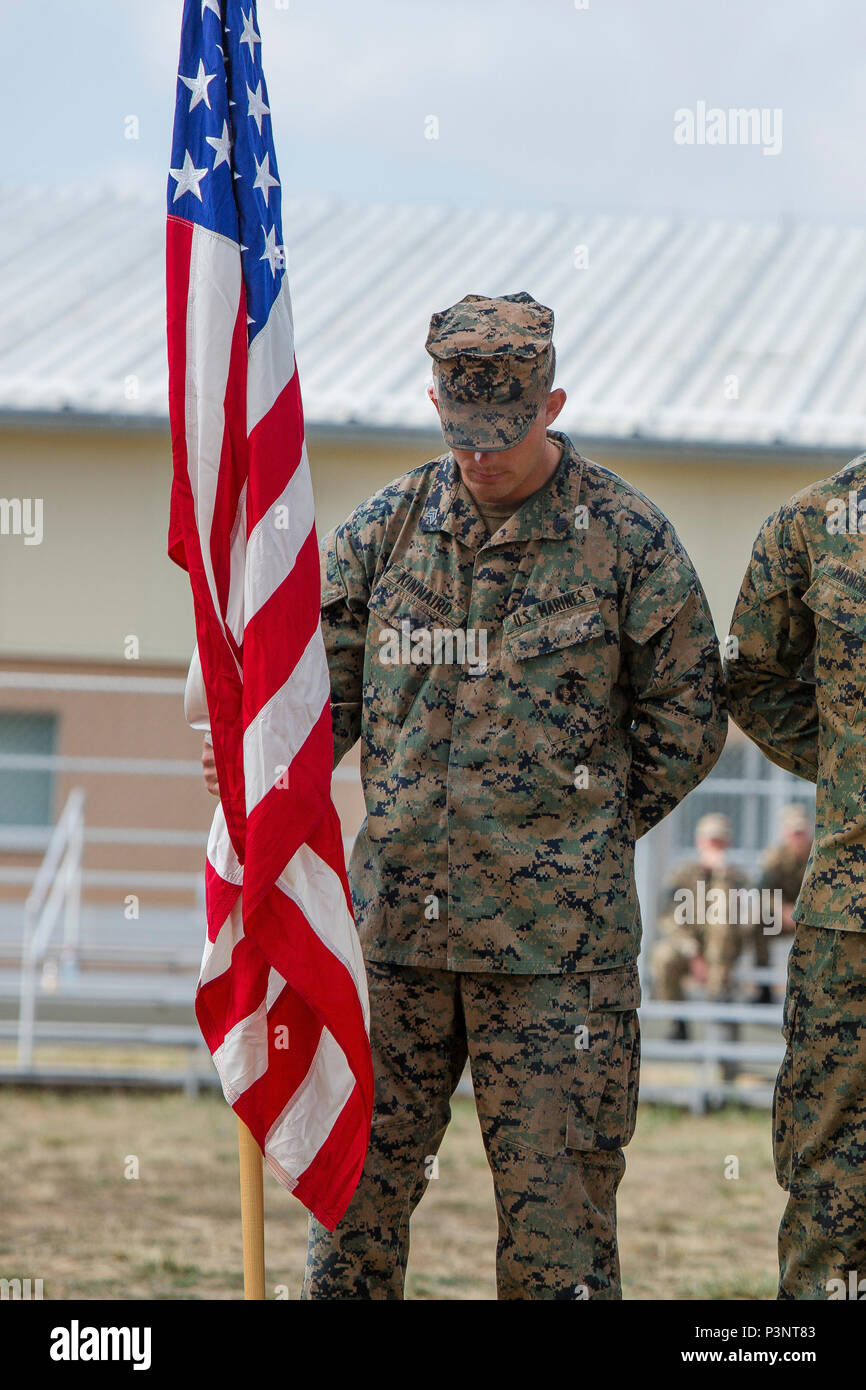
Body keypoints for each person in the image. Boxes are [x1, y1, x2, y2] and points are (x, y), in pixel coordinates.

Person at [204, 290, 727, 1299]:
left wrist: (577, 831)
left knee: (558, 1242)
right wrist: (249, 760)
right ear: (434, 401)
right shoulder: (382, 534)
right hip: (393, 943)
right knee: (351, 1210)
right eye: (462, 432)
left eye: (505, 433)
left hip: (553, 961)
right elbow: (316, 708)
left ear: (552, 401)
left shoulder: (626, 540)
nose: (482, 456)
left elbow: (687, 717)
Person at [725, 453, 866, 1300]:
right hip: (853, 919)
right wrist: (849, 771)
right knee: (834, 1179)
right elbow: (750, 675)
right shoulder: (814, 524)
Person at [651, 812, 751, 1043]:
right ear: (699, 842)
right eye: (709, 840)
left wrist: (722, 877)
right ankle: (678, 1023)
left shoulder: (738, 878)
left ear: (727, 843)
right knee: (663, 957)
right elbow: (667, 918)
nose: (713, 847)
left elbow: (743, 920)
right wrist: (692, 951)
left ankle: (718, 1012)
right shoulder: (682, 875)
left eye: (719, 841)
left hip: (724, 956)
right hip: (690, 949)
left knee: (722, 925)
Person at [752, 803, 814, 1004]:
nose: (798, 838)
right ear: (785, 834)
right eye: (793, 833)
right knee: (756, 923)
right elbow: (761, 892)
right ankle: (764, 989)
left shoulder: (819, 855)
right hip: (782, 917)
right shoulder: (775, 858)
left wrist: (799, 912)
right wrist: (780, 910)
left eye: (801, 832)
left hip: (811, 916)